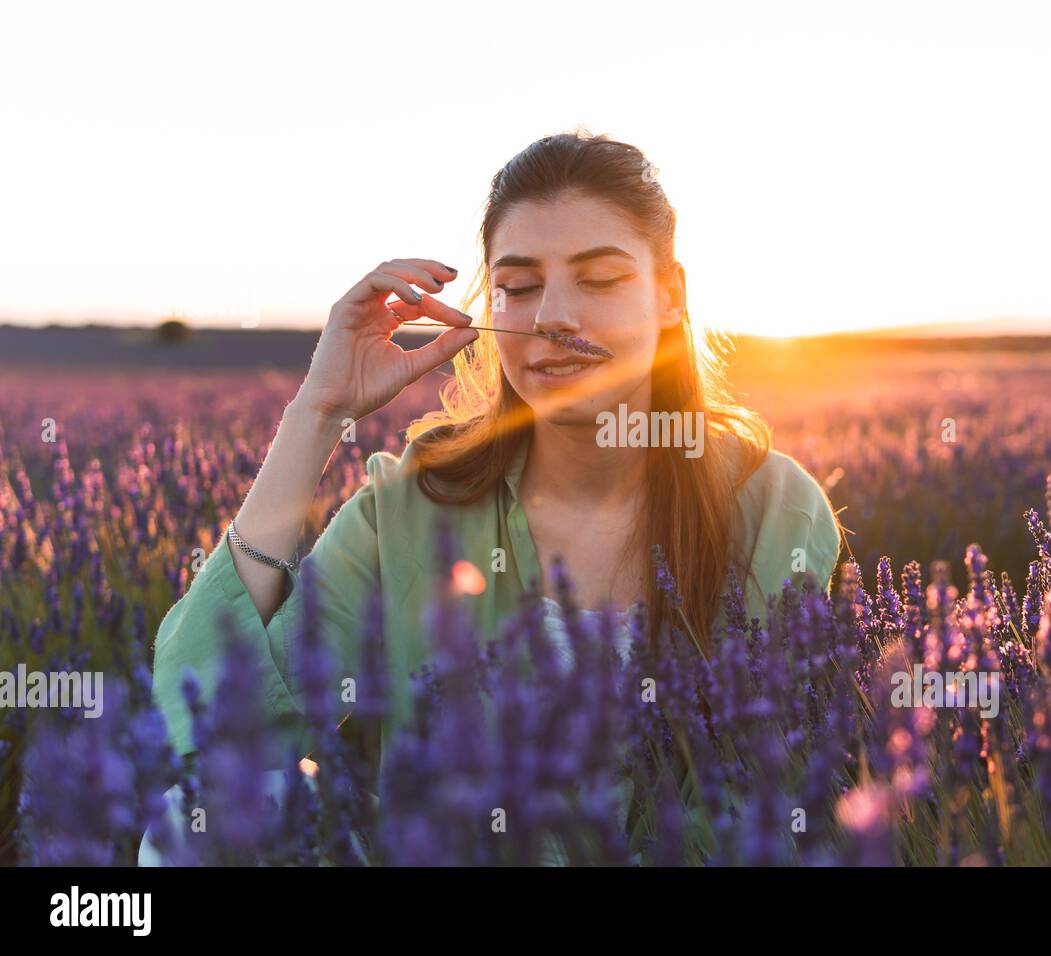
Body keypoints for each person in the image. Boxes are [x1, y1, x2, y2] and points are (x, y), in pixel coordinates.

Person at [148, 129, 844, 860]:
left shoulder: (770, 508)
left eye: (599, 279)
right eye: (517, 287)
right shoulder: (412, 505)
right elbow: (218, 722)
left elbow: (754, 812)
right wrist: (320, 414)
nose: (553, 316)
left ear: (670, 296)